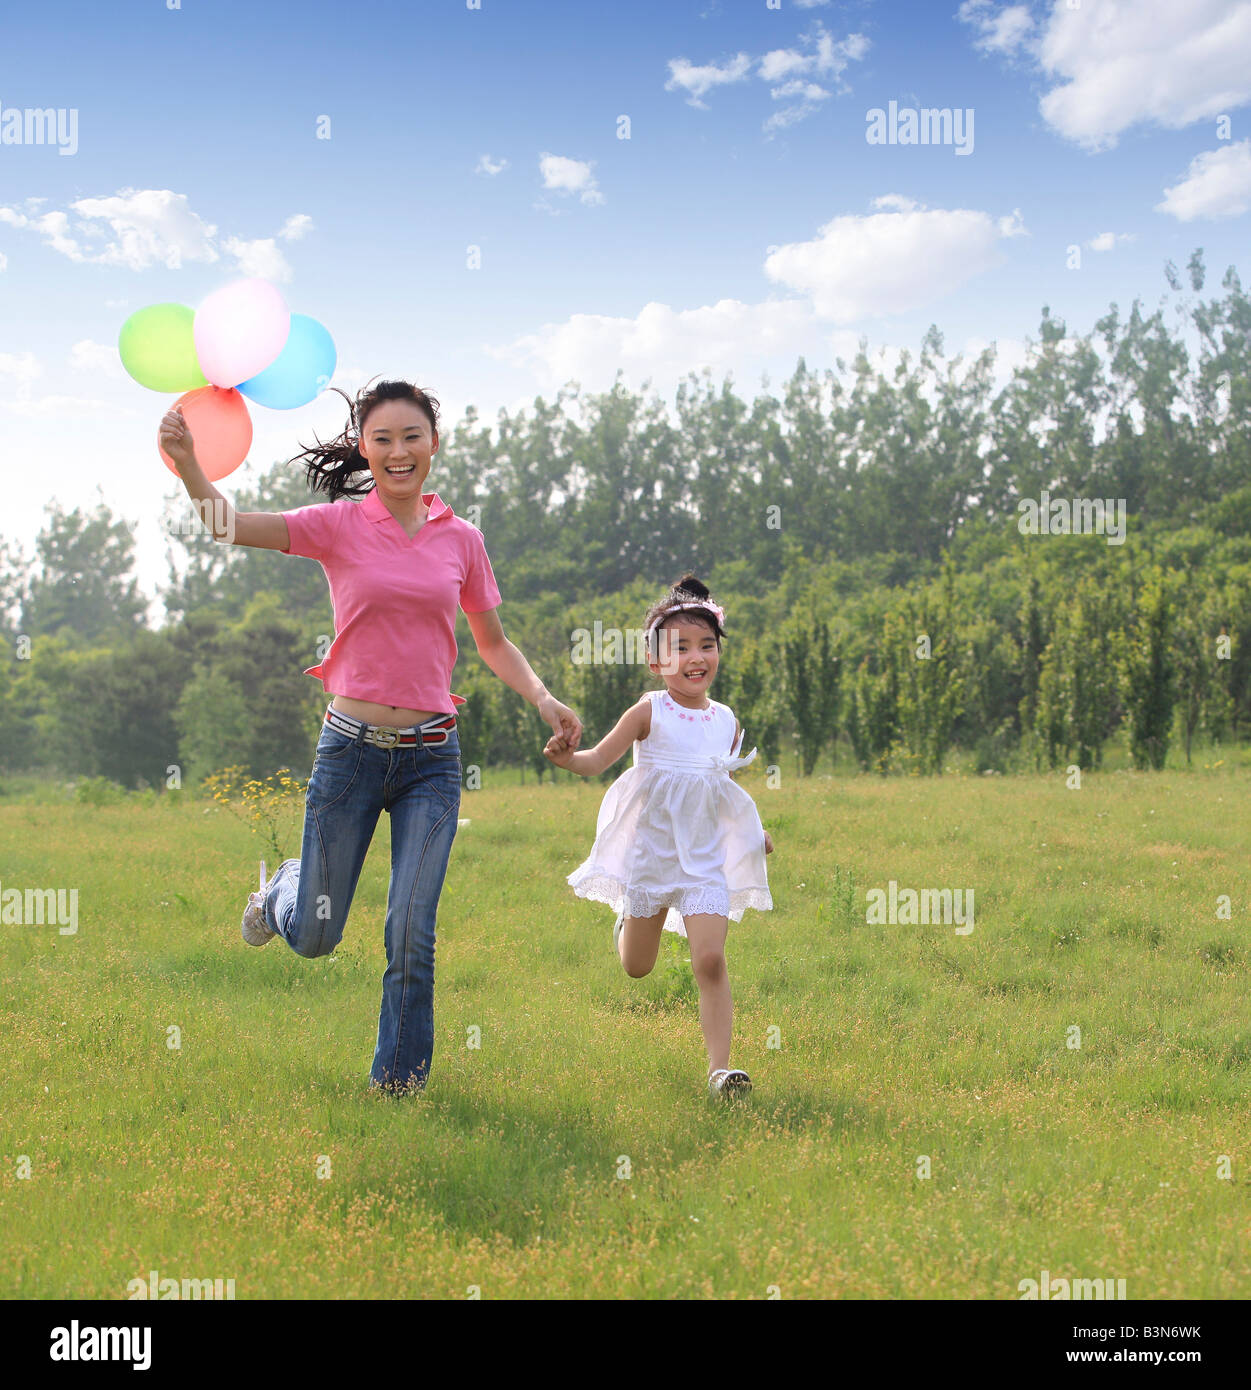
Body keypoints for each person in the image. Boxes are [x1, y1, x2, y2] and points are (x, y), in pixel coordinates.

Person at [158, 378, 583, 1093]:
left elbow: (492, 641)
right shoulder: (337, 526)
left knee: (411, 928)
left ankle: (398, 1086)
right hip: (350, 754)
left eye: (410, 437)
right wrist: (191, 467)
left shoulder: (462, 540)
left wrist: (543, 697)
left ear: (433, 446)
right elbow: (227, 525)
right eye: (381, 439)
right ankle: (280, 896)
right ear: (364, 448)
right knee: (318, 936)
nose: (397, 451)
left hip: (430, 763)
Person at [543, 574, 773, 1097]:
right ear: (656, 662)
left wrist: (753, 835)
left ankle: (720, 1072)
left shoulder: (726, 720)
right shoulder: (650, 710)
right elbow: (599, 759)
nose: (697, 657)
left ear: (718, 653)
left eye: (707, 646)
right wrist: (566, 758)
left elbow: (723, 791)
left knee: (710, 960)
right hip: (653, 859)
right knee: (637, 967)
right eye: (681, 647)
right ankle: (630, 919)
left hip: (705, 863)